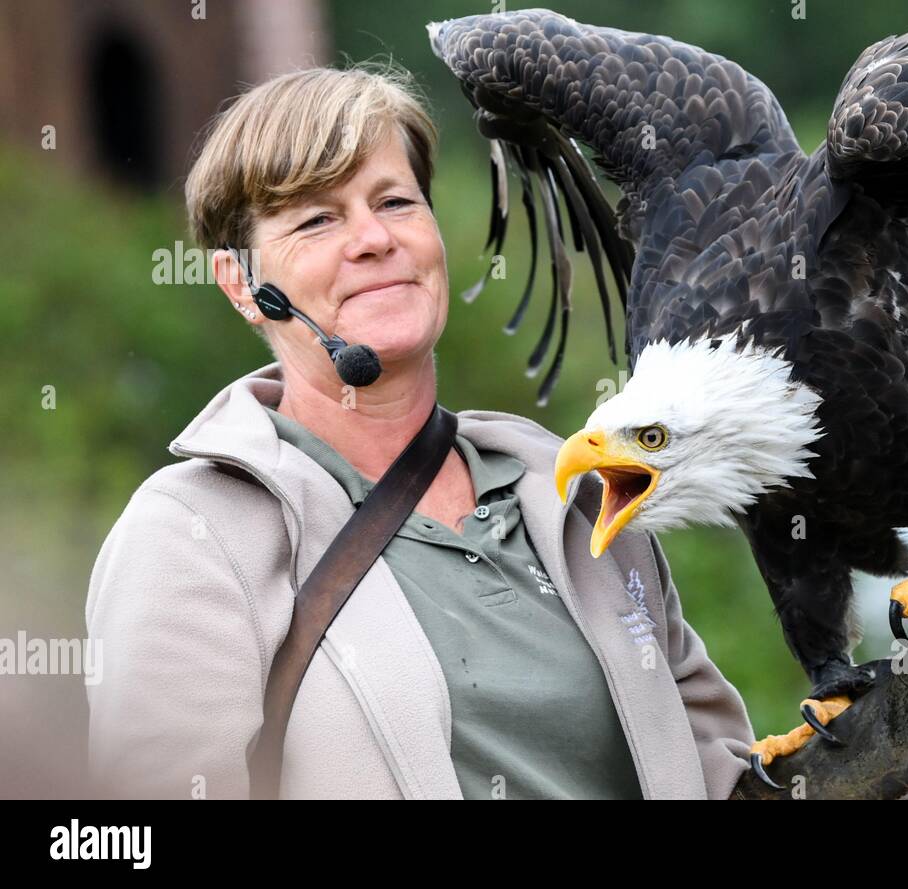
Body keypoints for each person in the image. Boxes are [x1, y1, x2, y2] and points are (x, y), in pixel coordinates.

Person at [83, 63, 756, 800]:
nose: (373, 238)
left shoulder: (569, 493)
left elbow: (721, 772)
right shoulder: (195, 533)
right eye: (317, 218)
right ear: (242, 284)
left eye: (396, 201)